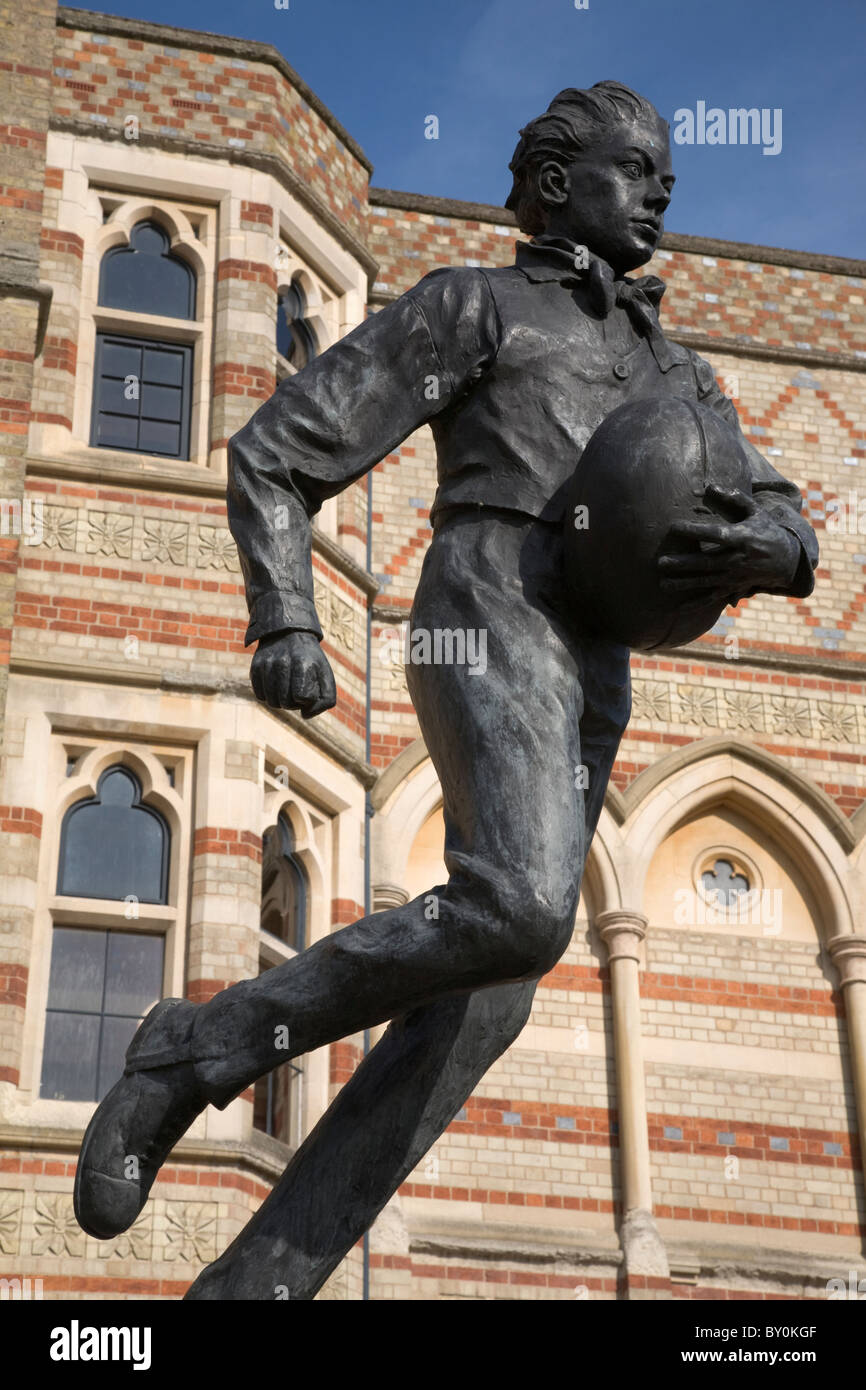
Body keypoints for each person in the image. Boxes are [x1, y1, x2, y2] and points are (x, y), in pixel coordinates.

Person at [74, 82, 818, 1299]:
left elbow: (779, 508)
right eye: (632, 169)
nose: (659, 191)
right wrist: (286, 616)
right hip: (486, 596)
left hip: (594, 651)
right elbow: (276, 453)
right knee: (524, 907)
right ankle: (194, 1052)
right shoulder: (474, 307)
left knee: (488, 1000)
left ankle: (252, 1283)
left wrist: (771, 551)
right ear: (553, 184)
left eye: (666, 175)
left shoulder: (670, 369)